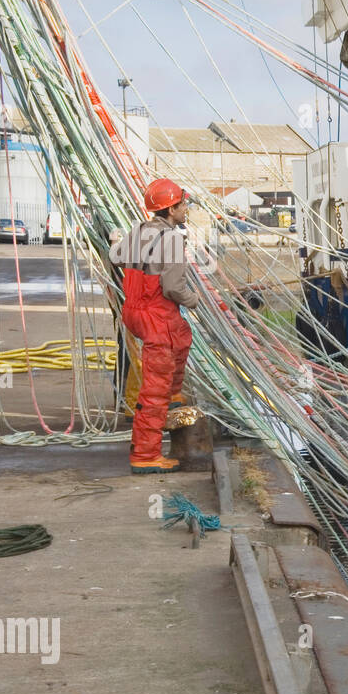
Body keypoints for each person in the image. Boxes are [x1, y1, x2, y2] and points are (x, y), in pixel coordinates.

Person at [115, 178, 200, 474]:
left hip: (135, 311)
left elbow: (114, 256)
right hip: (156, 317)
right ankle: (146, 455)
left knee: (183, 337)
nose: (186, 209)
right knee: (155, 390)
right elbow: (173, 288)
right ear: (170, 208)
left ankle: (174, 394)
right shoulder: (173, 240)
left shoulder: (138, 230)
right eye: (183, 204)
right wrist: (194, 299)